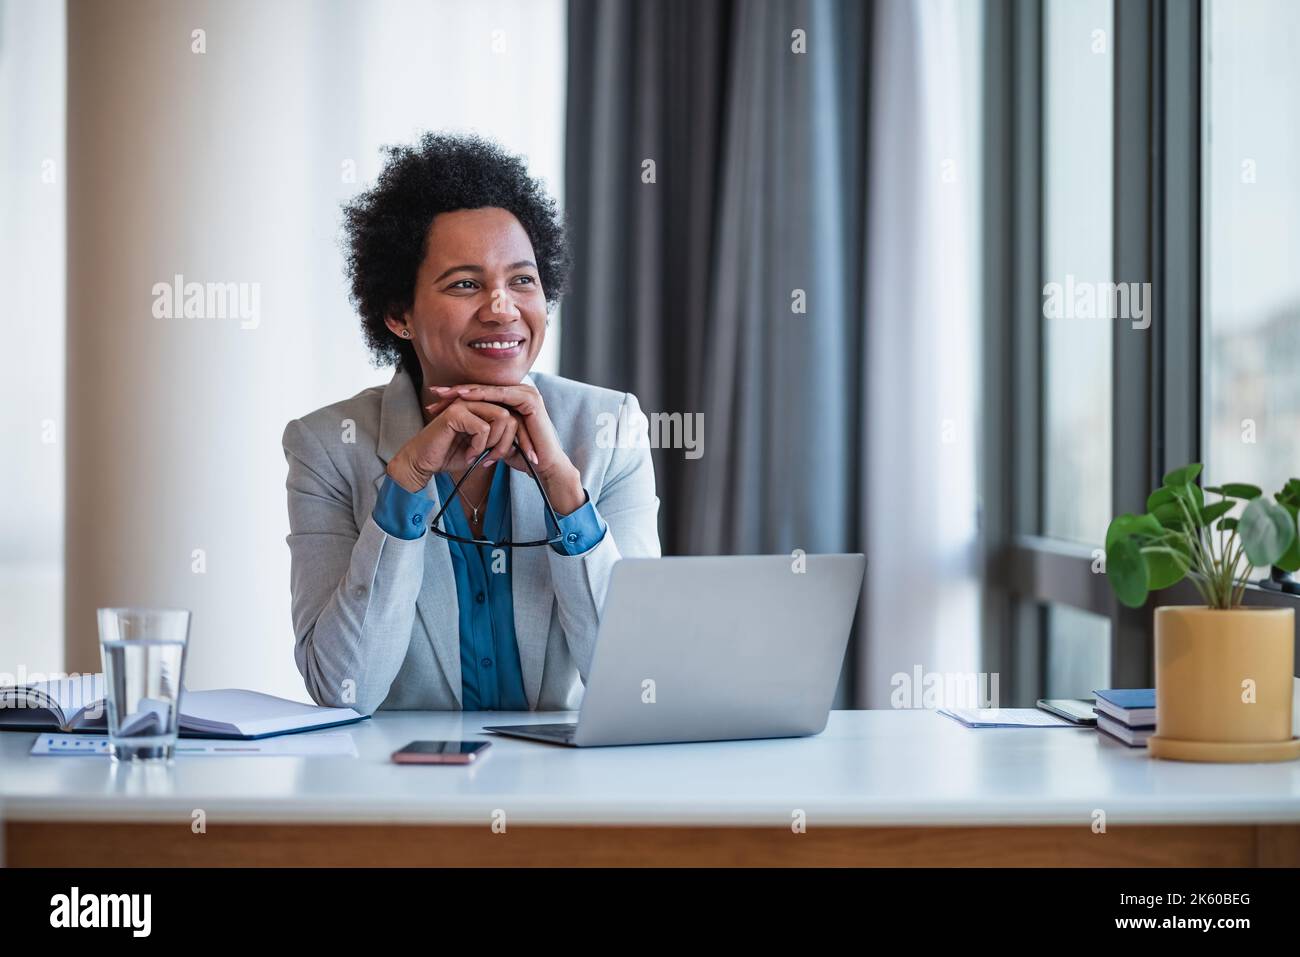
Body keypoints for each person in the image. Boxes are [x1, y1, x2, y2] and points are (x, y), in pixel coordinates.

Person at [281, 132, 661, 714]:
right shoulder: (327, 448)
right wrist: (404, 485)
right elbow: (342, 689)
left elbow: (639, 685)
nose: (502, 307)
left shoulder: (609, 429)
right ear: (398, 314)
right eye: (465, 283)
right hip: (408, 795)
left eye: (522, 280)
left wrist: (565, 491)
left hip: (568, 792)